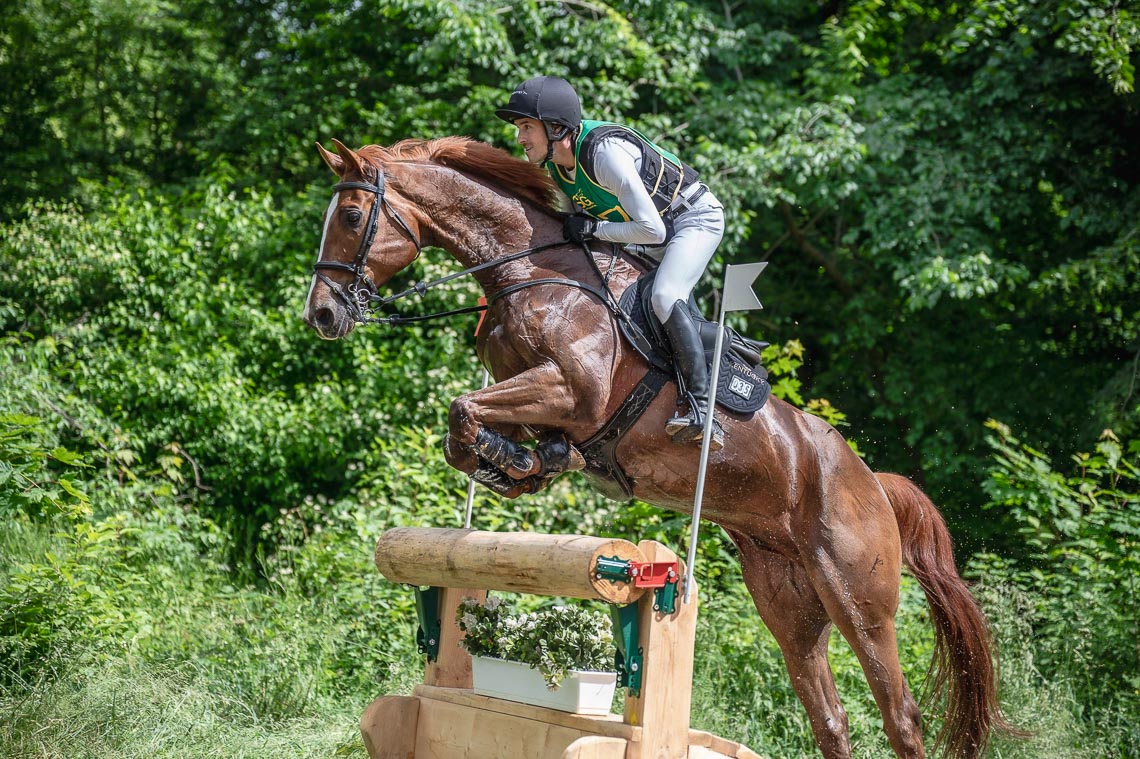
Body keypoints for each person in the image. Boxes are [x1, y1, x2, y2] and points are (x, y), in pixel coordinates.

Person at [495, 75, 727, 450]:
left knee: (665, 298)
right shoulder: (556, 166)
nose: (520, 138)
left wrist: (593, 228)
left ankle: (703, 410)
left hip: (690, 219)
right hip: (646, 230)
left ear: (556, 128)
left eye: (525, 127)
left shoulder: (604, 155)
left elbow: (652, 230)